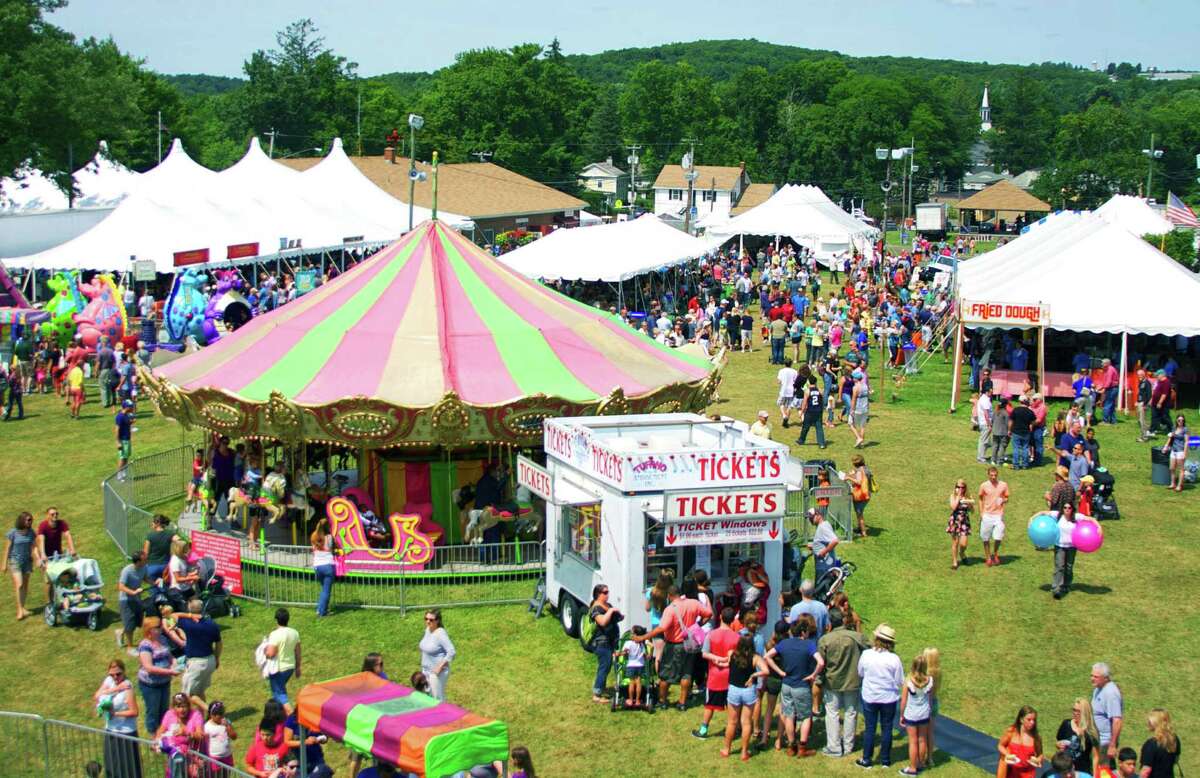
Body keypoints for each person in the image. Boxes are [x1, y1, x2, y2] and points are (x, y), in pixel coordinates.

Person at [634, 584, 711, 711]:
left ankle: (662, 701)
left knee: (665, 674)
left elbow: (662, 628)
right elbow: (709, 613)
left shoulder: (670, 609)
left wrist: (643, 637)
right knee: (686, 674)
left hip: (674, 645)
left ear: (669, 596)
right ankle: (682, 703)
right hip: (689, 644)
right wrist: (697, 625)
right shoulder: (693, 603)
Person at [764, 615, 823, 757]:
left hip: (787, 684)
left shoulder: (784, 644)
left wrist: (779, 671)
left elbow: (767, 656)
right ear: (803, 632)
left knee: (788, 715)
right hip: (802, 685)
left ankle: (791, 746)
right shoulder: (809, 644)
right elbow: (820, 662)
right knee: (806, 716)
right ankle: (802, 747)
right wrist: (813, 675)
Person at [817, 607, 869, 758]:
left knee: (832, 713)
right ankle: (848, 746)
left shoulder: (825, 640)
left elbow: (820, 663)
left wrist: (819, 680)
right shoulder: (856, 637)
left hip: (832, 682)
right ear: (843, 620)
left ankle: (834, 746)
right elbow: (872, 647)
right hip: (852, 681)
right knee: (851, 713)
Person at [856, 623, 904, 769]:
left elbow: (860, 673)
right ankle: (885, 760)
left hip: (870, 696)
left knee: (870, 728)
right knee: (887, 728)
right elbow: (899, 681)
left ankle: (866, 759)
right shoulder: (894, 659)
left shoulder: (866, 655)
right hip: (888, 698)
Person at [693, 606, 740, 740]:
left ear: (720, 617)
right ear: (732, 620)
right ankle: (735, 729)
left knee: (709, 705)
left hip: (715, 677)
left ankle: (703, 731)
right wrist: (726, 660)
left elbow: (704, 654)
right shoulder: (737, 637)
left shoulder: (711, 634)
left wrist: (717, 659)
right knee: (734, 706)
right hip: (731, 677)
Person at [720, 633, 769, 761]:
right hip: (748, 691)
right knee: (746, 723)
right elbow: (766, 671)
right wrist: (754, 676)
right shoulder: (755, 657)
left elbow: (728, 664)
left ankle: (726, 749)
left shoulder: (732, 653)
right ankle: (744, 752)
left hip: (734, 690)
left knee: (731, 722)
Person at [93, 659, 142, 778]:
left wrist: (114, 713)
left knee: (127, 770)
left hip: (126, 733)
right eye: (112, 674)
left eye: (118, 674)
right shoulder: (109, 681)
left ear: (124, 672)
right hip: (111, 730)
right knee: (112, 766)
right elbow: (96, 696)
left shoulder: (128, 686)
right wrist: (116, 688)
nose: (115, 677)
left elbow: (134, 711)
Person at [172, 599, 222, 708]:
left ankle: (211, 710)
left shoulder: (187, 622)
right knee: (200, 691)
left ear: (190, 609)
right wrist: (217, 658)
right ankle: (202, 718)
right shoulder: (212, 624)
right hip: (210, 660)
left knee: (188, 695)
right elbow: (219, 643)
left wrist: (189, 615)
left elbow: (174, 614)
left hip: (196, 663)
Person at [136, 616, 180, 734]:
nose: (161, 628)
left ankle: (163, 732)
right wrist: (170, 672)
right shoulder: (145, 645)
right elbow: (148, 667)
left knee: (164, 709)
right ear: (149, 629)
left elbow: (169, 655)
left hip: (164, 682)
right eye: (157, 627)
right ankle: (153, 735)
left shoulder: (163, 639)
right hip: (150, 684)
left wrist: (174, 662)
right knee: (153, 710)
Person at [898, 654, 935, 776]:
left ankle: (912, 768)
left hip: (912, 715)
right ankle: (920, 763)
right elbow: (930, 699)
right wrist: (929, 710)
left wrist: (901, 715)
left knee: (913, 741)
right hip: (924, 713)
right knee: (922, 739)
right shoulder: (930, 680)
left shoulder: (909, 682)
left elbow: (903, 701)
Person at [3, 511, 41, 620]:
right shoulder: (13, 533)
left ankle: (23, 608)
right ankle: (19, 610)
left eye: (31, 520)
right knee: (19, 584)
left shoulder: (31, 533)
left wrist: (37, 559)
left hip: (27, 561)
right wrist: (4, 564)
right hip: (15, 561)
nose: (30, 522)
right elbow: (7, 549)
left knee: (25, 585)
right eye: (28, 520)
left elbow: (34, 547)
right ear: (22, 520)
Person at [587, 584, 621, 704]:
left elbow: (613, 619)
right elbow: (602, 621)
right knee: (604, 666)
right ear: (598, 594)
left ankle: (602, 687)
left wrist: (618, 615)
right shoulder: (596, 608)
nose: (607, 594)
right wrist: (611, 611)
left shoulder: (607, 605)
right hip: (601, 643)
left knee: (607, 666)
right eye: (605, 592)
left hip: (611, 641)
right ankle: (597, 694)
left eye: (608, 591)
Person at [37, 506, 76, 603]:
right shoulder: (43, 526)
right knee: (49, 581)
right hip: (46, 556)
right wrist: (42, 554)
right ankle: (49, 602)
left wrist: (72, 549)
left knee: (63, 576)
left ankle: (64, 599)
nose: (55, 516)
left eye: (56, 514)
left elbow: (67, 535)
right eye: (52, 514)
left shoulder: (62, 523)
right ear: (47, 516)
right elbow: (41, 540)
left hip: (58, 555)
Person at [265, 608, 302, 708]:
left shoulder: (275, 634)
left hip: (278, 669)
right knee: (278, 692)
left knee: (280, 695)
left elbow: (271, 653)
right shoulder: (295, 633)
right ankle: (279, 716)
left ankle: (291, 718)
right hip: (290, 667)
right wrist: (298, 667)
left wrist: (265, 653)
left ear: (276, 620)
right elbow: (298, 652)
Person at [1056, 697, 1101, 777]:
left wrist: (1095, 775)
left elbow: (1095, 756)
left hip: (1083, 771)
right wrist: (1058, 744)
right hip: (1065, 771)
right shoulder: (1066, 724)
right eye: (1074, 710)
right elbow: (1058, 743)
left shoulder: (1091, 732)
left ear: (1085, 713)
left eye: (1078, 711)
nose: (1075, 713)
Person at [155, 692, 204, 763]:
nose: (181, 710)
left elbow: (200, 735)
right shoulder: (169, 714)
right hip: (174, 756)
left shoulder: (196, 715)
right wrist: (157, 741)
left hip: (192, 757)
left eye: (184, 706)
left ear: (188, 706)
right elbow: (161, 730)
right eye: (178, 707)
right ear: (174, 707)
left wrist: (186, 733)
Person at [419, 608, 455, 700]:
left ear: (437, 620)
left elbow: (451, 652)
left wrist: (440, 666)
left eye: (431, 620)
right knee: (428, 697)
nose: (428, 621)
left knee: (437, 699)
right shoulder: (428, 630)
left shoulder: (440, 634)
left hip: (436, 673)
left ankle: (444, 714)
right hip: (426, 670)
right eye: (426, 619)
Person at [999, 705, 1045, 778]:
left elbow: (1040, 755)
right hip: (1010, 772)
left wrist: (1038, 760)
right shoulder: (1011, 732)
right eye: (1029, 719)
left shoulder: (1036, 738)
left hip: (1027, 774)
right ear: (1021, 719)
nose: (1032, 722)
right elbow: (1001, 745)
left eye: (1034, 720)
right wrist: (1007, 754)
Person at [1091, 663, 1124, 765]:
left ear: (1105, 678)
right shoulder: (1098, 689)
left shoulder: (1111, 693)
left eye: (1096, 677)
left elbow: (1117, 721)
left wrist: (1112, 745)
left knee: (1104, 772)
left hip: (1105, 742)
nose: (1092, 679)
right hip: (1097, 740)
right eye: (1091, 675)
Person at [116, 551, 147, 654]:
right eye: (144, 559)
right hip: (126, 600)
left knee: (137, 621)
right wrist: (133, 592)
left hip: (137, 598)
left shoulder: (144, 567)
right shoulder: (127, 571)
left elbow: (145, 578)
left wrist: (154, 581)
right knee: (130, 621)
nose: (146, 560)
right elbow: (120, 586)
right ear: (138, 562)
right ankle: (130, 647)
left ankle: (121, 632)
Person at [978, 466, 1009, 567]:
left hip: (998, 515)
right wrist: (981, 513)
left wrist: (1003, 500)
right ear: (988, 475)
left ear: (997, 475)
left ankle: (995, 554)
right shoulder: (983, 485)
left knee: (998, 537)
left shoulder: (1003, 485)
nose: (993, 477)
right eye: (991, 475)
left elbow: (1007, 497)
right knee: (985, 538)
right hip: (987, 514)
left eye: (995, 475)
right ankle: (988, 557)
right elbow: (980, 498)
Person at [1139, 708, 1180, 778]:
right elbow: (1176, 760)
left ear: (1155, 722)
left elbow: (1146, 771)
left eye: (1149, 720)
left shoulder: (1151, 744)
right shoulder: (1175, 740)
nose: (1148, 722)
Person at [1052, 503, 1079, 600]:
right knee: (1059, 566)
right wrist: (1031, 519)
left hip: (1072, 547)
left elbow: (1090, 519)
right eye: (1065, 507)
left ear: (1072, 509)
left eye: (1069, 507)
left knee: (1069, 567)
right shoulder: (1058, 515)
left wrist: (1099, 527)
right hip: (1060, 546)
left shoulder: (1076, 517)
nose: (1067, 509)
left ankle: (1066, 586)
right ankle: (1056, 589)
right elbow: (1043, 513)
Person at [204, 700, 238, 772]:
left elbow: (234, 737)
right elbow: (204, 743)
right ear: (211, 714)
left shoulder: (227, 722)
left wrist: (227, 726)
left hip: (227, 756)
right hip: (215, 758)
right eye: (217, 714)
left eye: (221, 713)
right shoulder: (207, 726)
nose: (220, 716)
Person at [947, 479, 974, 570]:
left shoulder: (968, 496)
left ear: (965, 488)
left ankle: (962, 553)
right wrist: (958, 497)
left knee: (964, 544)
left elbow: (972, 511)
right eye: (958, 487)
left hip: (964, 521)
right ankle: (955, 562)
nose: (960, 489)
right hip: (955, 521)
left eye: (962, 487)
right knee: (955, 542)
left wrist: (969, 503)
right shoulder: (953, 496)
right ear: (955, 488)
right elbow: (953, 507)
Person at [311, 519, 336, 617]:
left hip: (317, 566)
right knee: (326, 591)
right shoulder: (329, 537)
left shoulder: (313, 536)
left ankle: (323, 609)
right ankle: (320, 611)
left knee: (324, 590)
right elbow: (332, 549)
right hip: (327, 565)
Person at [795, 376, 826, 449]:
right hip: (818, 411)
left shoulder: (807, 391)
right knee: (819, 427)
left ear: (809, 382)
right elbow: (822, 401)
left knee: (806, 426)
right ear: (816, 382)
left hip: (810, 411)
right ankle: (821, 443)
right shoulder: (820, 390)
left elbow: (804, 403)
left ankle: (801, 440)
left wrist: (802, 412)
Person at [142, 514, 174, 585]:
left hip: (152, 566)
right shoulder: (170, 534)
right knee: (166, 587)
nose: (151, 524)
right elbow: (179, 541)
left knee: (156, 589)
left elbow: (145, 553)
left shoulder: (150, 536)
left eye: (153, 522)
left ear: (157, 523)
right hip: (166, 566)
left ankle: (159, 594)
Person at [808, 509, 840, 578]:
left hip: (824, 568)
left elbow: (835, 541)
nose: (810, 519)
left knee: (822, 588)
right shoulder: (824, 524)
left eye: (811, 517)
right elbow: (825, 542)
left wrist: (823, 552)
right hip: (824, 567)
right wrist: (814, 546)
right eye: (809, 518)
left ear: (818, 515)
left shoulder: (823, 527)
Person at [845, 455, 871, 539]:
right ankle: (860, 528)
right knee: (859, 512)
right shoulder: (866, 468)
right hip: (866, 494)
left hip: (860, 495)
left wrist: (849, 477)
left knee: (860, 514)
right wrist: (854, 474)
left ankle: (863, 533)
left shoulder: (860, 471)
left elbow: (859, 482)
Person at [1162, 415, 1189, 493]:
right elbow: (1171, 437)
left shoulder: (1185, 430)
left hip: (1180, 451)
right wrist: (1166, 446)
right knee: (1172, 468)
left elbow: (1187, 442)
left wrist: (1185, 453)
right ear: (1176, 421)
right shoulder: (1174, 428)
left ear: (1184, 421)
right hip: (1173, 450)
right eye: (1179, 420)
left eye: (1182, 420)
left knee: (1181, 469)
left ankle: (1179, 486)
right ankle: (1173, 484)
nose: (1181, 422)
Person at [1009, 395, 1036, 471]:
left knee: (1016, 448)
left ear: (1020, 401)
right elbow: (1033, 421)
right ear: (1026, 401)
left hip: (1016, 432)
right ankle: (1025, 465)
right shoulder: (1030, 411)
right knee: (1025, 448)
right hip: (1026, 432)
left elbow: (1011, 421)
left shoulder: (1015, 410)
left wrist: (1009, 430)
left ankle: (1016, 465)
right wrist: (1030, 425)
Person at [849, 369, 870, 447]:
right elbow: (868, 397)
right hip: (865, 408)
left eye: (853, 377)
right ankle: (861, 444)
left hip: (858, 409)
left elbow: (854, 399)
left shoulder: (855, 387)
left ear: (856, 379)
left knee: (850, 423)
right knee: (862, 426)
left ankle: (858, 438)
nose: (852, 379)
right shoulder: (865, 386)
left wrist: (852, 409)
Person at [114, 400, 134, 480]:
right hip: (123, 440)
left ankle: (124, 473)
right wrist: (118, 442)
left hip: (127, 439)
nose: (132, 407)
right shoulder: (120, 417)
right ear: (127, 407)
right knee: (122, 458)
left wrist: (131, 422)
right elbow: (116, 430)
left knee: (126, 457)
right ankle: (119, 474)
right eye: (131, 406)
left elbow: (126, 424)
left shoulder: (126, 415)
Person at [776, 358, 798, 427]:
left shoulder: (781, 371)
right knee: (789, 406)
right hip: (791, 390)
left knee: (781, 404)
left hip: (784, 390)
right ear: (791, 364)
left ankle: (784, 415)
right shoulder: (794, 371)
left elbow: (779, 381)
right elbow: (796, 381)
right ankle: (786, 421)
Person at [975, 387, 993, 463]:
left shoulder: (983, 399)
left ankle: (982, 455)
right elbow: (986, 413)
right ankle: (980, 457)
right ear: (987, 392)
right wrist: (989, 424)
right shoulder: (985, 400)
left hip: (983, 422)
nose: (992, 393)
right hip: (985, 423)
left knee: (985, 440)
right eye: (991, 391)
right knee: (983, 441)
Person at [1134, 370, 1152, 441]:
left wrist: (1145, 405)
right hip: (1139, 402)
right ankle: (1146, 432)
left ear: (1144, 375)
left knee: (1142, 420)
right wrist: (1137, 401)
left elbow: (1149, 395)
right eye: (1138, 375)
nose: (1139, 376)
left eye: (1141, 375)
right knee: (1139, 420)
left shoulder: (1147, 383)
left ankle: (1144, 437)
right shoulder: (1141, 382)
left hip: (1143, 404)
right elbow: (1140, 393)